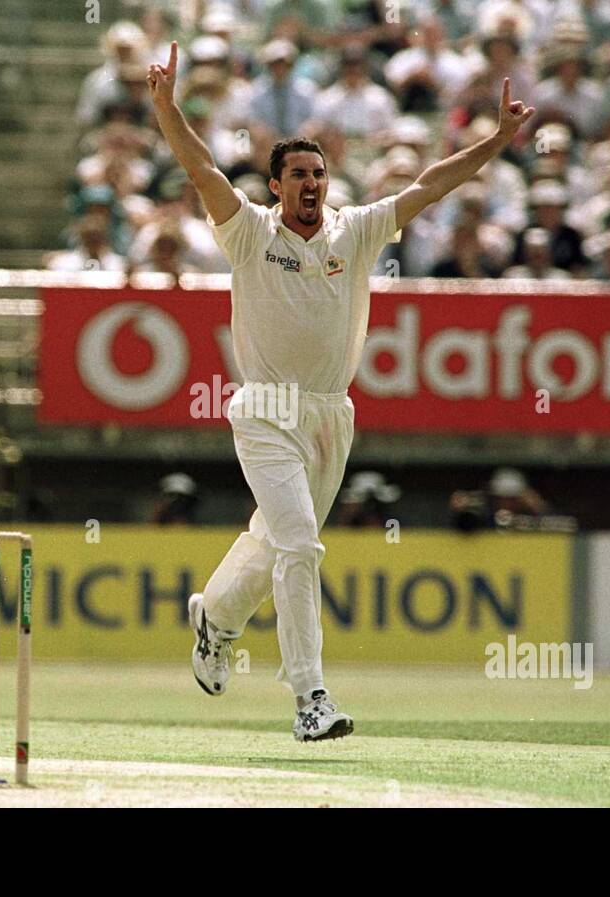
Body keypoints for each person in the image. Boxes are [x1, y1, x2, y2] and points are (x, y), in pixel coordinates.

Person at [147, 42, 534, 741]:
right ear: (275, 186)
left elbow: (433, 182)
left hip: (331, 417)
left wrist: (498, 139)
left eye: (319, 173)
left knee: (275, 542)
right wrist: (168, 109)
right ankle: (309, 698)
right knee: (300, 546)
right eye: (297, 174)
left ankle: (217, 619)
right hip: (264, 410)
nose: (311, 184)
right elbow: (201, 168)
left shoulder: (355, 231)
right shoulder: (245, 233)